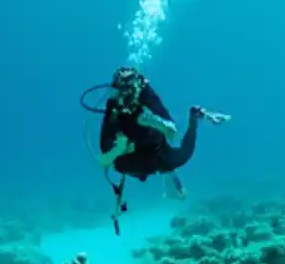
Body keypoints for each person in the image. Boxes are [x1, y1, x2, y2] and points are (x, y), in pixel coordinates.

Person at [97, 67, 229, 223]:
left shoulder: (148, 96)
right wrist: (118, 149)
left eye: (130, 89)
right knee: (122, 166)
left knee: (185, 154)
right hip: (132, 159)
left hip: (158, 153)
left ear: (139, 87)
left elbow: (172, 132)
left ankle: (193, 119)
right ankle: (164, 171)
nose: (127, 95)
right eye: (122, 90)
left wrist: (156, 123)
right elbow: (103, 161)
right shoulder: (113, 108)